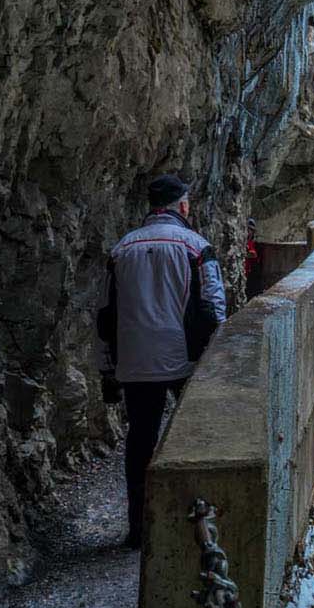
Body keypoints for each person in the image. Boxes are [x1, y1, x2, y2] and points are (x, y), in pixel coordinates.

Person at [95, 174, 227, 549]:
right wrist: (213, 359)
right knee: (196, 438)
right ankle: (196, 521)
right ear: (182, 206)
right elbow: (213, 308)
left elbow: (106, 315)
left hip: (134, 364)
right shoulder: (196, 246)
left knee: (140, 441)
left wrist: (107, 369)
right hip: (182, 361)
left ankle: (138, 527)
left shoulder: (121, 249)